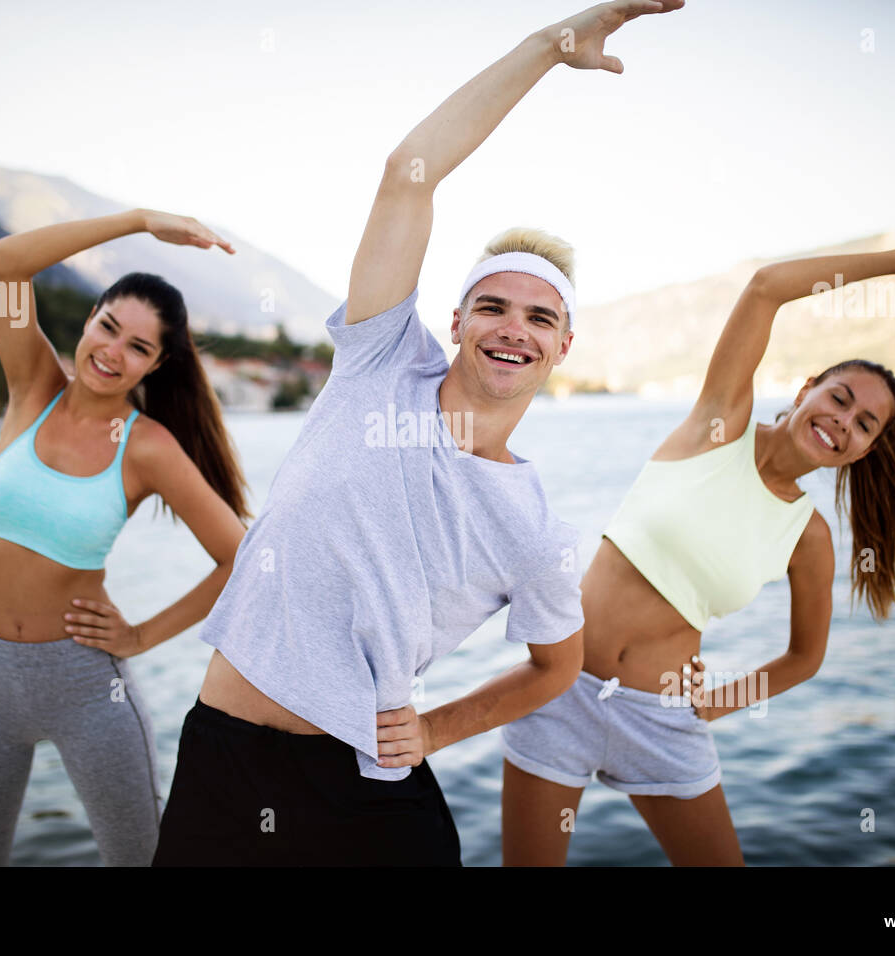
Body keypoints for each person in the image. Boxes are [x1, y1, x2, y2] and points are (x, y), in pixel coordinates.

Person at [151, 0, 686, 867]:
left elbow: (556, 667)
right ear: (459, 319)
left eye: (540, 317)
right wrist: (551, 48)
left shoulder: (537, 529)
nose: (515, 328)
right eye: (493, 307)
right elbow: (409, 171)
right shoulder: (379, 361)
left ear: (563, 345)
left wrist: (437, 727)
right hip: (226, 756)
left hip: (369, 791)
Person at [501, 249, 895, 865]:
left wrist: (719, 700)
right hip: (559, 687)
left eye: (865, 424)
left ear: (863, 451)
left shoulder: (808, 536)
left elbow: (804, 657)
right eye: (840, 398)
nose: (843, 422)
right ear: (806, 390)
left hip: (663, 718)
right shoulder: (720, 425)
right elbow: (766, 287)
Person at [0, 208, 251, 866]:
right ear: (86, 321)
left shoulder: (149, 448)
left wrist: (141, 635)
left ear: (157, 364)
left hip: (85, 686)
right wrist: (138, 222)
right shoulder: (32, 386)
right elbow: (5, 263)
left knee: (139, 859)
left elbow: (242, 559)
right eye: (107, 326)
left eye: (138, 347)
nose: (112, 352)